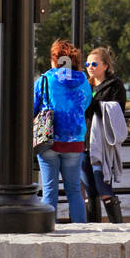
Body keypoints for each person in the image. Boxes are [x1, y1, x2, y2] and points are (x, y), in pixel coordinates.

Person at [33, 39, 92, 223]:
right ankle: (81, 229)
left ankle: (50, 228)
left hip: (48, 140)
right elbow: (86, 104)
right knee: (74, 190)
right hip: (75, 141)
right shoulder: (84, 82)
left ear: (55, 60)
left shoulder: (44, 80)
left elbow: (32, 107)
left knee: (49, 190)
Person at [82, 46, 126, 223]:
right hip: (84, 141)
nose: (90, 67)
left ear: (106, 66)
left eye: (94, 64)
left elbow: (117, 111)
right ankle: (93, 228)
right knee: (89, 190)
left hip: (102, 144)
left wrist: (94, 104)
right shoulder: (85, 85)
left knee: (103, 187)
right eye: (87, 64)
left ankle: (117, 226)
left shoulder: (115, 85)